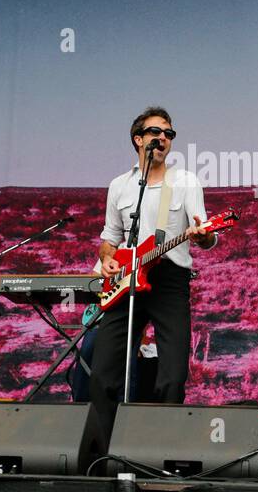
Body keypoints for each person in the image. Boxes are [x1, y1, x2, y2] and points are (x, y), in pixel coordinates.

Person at [86, 108, 216, 433]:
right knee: (102, 374)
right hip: (125, 281)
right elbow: (109, 239)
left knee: (172, 377)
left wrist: (205, 234)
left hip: (169, 280)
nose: (162, 139)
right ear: (138, 139)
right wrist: (107, 259)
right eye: (155, 132)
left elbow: (207, 235)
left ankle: (162, 451)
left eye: (168, 134)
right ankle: (102, 459)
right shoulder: (119, 186)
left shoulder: (185, 182)